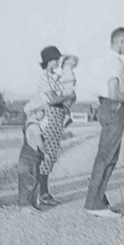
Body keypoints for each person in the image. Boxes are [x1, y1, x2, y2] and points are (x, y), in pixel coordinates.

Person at [84, 27, 124, 218]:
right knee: (107, 157)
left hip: (109, 108)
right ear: (121, 41)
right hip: (113, 108)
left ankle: (98, 200)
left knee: (108, 156)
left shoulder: (105, 60)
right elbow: (113, 93)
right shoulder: (113, 62)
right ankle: (94, 203)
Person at [21, 45, 76, 208]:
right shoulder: (44, 78)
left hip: (57, 116)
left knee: (50, 156)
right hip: (49, 116)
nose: (58, 61)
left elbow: (65, 98)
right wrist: (68, 96)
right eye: (56, 59)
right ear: (49, 61)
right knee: (44, 156)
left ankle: (43, 193)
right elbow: (52, 99)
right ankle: (40, 193)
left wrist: (68, 97)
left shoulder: (55, 77)